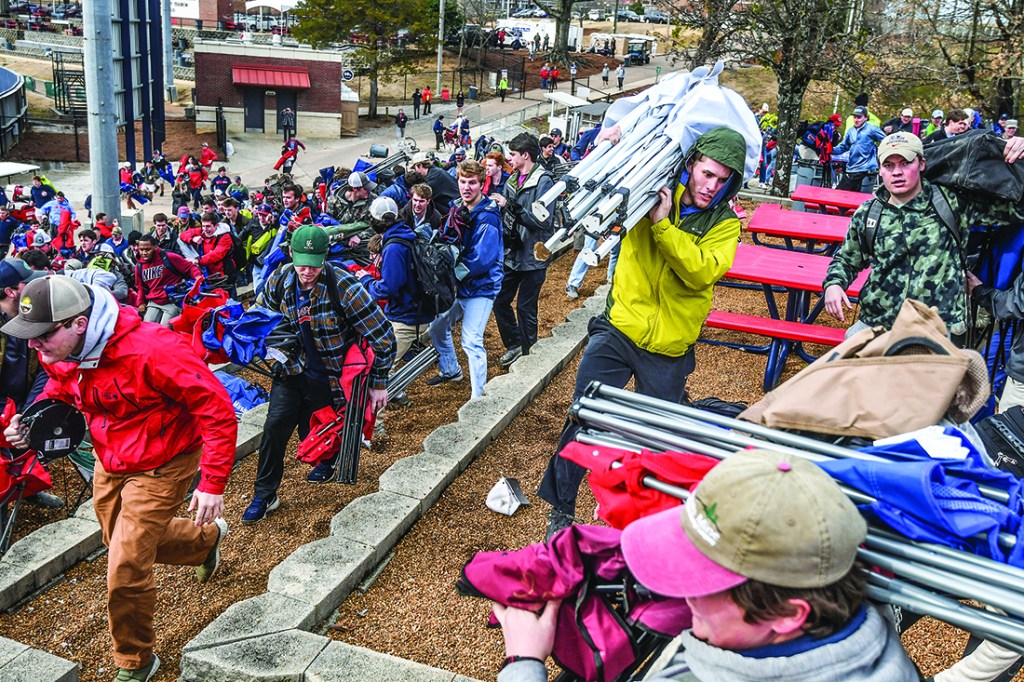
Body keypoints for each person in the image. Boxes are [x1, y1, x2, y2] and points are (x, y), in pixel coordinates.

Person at [495, 450, 920, 682]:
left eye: (701, 581)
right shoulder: (862, 634)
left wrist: (524, 663)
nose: (676, 591)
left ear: (790, 613)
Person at [3, 274, 237, 681]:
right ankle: (205, 541)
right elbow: (59, 389)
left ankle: (136, 661)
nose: (33, 345)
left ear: (78, 323)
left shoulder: (155, 348)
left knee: (125, 562)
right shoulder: (59, 350)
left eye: (42, 335)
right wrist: (33, 421)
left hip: (166, 459)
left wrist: (212, 484)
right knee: (121, 541)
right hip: (110, 456)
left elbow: (217, 411)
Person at [539, 125, 748, 537]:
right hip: (619, 329)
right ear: (692, 165)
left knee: (653, 440)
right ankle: (560, 513)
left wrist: (663, 227)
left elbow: (701, 271)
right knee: (584, 418)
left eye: (724, 180)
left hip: (669, 348)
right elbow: (604, 175)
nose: (712, 186)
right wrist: (609, 138)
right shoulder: (647, 186)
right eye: (708, 174)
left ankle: (635, 523)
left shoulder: (725, 223)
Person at [243, 225, 395, 523]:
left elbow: (384, 335)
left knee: (320, 426)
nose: (306, 270)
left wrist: (378, 383)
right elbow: (259, 316)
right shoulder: (281, 279)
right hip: (290, 369)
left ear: (324, 258)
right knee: (275, 428)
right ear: (292, 255)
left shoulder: (344, 286)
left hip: (328, 374)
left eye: (313, 264)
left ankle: (327, 461)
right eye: (301, 262)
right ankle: (264, 494)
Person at [824, 131, 1024, 339]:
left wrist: (1018, 151)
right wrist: (834, 284)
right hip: (879, 326)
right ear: (880, 169)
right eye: (889, 165)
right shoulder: (869, 212)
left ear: (921, 164)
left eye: (905, 163)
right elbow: (847, 260)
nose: (897, 172)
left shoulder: (951, 203)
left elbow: (1018, 208)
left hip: (937, 329)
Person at [426, 160, 503, 398]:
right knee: (437, 328)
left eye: (472, 182)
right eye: (462, 181)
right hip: (461, 285)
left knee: (471, 341)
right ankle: (451, 370)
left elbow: (482, 259)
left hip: (481, 286)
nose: (466, 187)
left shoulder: (489, 217)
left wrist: (450, 272)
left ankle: (478, 397)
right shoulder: (457, 208)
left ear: (482, 184)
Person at [490, 133, 554, 369]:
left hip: (535, 254)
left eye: (513, 154)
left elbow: (544, 222)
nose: (509, 157)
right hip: (514, 252)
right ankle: (515, 344)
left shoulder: (544, 181)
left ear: (525, 155)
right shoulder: (511, 181)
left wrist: (512, 207)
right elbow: (508, 214)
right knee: (500, 300)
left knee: (526, 307)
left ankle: (529, 357)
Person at [357, 196, 436, 359]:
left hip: (406, 317)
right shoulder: (406, 233)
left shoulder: (394, 248)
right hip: (417, 310)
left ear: (374, 220)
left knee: (385, 368)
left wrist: (366, 280)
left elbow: (388, 289)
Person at [133, 234, 202, 326]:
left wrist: (198, 277)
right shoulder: (139, 266)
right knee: (148, 328)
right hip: (154, 301)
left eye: (148, 249)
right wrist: (140, 303)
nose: (144, 253)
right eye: (141, 250)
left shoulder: (168, 257)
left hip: (172, 301)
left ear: (155, 247)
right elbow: (140, 287)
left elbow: (189, 267)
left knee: (165, 330)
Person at [831, 105, 885, 192]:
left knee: (839, 192)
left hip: (865, 169)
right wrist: (830, 150)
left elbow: (886, 141)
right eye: (855, 117)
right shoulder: (851, 131)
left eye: (859, 117)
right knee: (851, 196)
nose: (856, 120)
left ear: (866, 118)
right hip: (851, 168)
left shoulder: (872, 129)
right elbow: (843, 147)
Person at [180, 213, 234, 280]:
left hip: (222, 272)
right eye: (203, 226)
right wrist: (192, 238)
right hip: (207, 269)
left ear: (216, 225)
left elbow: (216, 254)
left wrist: (198, 260)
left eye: (208, 226)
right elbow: (183, 235)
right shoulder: (202, 231)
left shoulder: (225, 237)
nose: (205, 229)